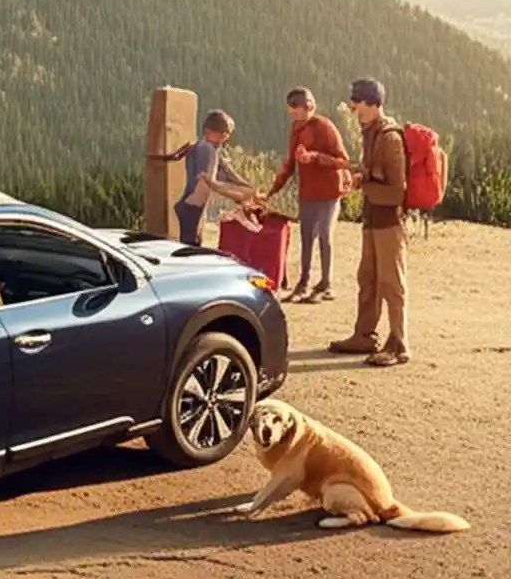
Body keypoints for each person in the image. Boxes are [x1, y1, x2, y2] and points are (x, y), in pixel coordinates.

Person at [328, 78, 410, 367]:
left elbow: (396, 190)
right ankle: (364, 336)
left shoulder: (389, 138)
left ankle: (399, 345)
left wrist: (364, 185)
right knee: (369, 279)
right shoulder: (371, 133)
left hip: (388, 221)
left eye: (358, 102)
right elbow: (374, 175)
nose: (354, 108)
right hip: (373, 220)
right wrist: (361, 177)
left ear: (374, 104)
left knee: (391, 284)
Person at [265, 87, 351, 303]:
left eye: (296, 110)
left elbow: (343, 161)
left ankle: (326, 284)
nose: (292, 114)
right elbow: (289, 164)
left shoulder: (325, 127)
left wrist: (316, 157)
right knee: (306, 237)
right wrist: (272, 190)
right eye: (290, 110)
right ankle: (303, 283)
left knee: (324, 236)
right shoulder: (296, 129)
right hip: (308, 193)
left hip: (330, 192)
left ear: (309, 107)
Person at [149, 109, 259, 246]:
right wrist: (239, 195)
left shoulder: (203, 148)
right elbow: (210, 181)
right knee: (191, 247)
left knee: (194, 243)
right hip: (192, 205)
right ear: (209, 132)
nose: (226, 137)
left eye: (228, 133)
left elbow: (229, 174)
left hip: (191, 205)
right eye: (223, 133)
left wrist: (250, 189)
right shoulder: (207, 150)